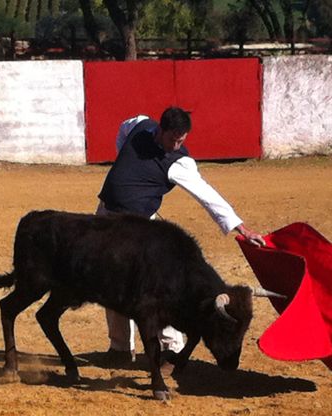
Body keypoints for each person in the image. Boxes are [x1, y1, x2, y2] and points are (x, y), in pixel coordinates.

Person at [97, 106, 266, 366]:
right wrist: (124, 158)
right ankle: (120, 348)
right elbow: (123, 127)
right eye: (172, 139)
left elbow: (207, 195)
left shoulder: (179, 162)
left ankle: (170, 348)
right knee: (111, 282)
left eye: (182, 140)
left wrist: (239, 227)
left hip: (141, 231)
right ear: (160, 130)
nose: (176, 144)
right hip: (107, 218)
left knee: (156, 289)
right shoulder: (140, 126)